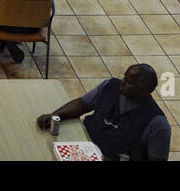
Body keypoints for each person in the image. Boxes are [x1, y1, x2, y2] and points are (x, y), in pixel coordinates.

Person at [35, 64, 170, 161]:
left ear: (143, 91)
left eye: (129, 82)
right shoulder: (110, 86)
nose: (122, 82)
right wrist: (54, 115)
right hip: (82, 148)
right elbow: (82, 104)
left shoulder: (158, 124)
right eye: (124, 77)